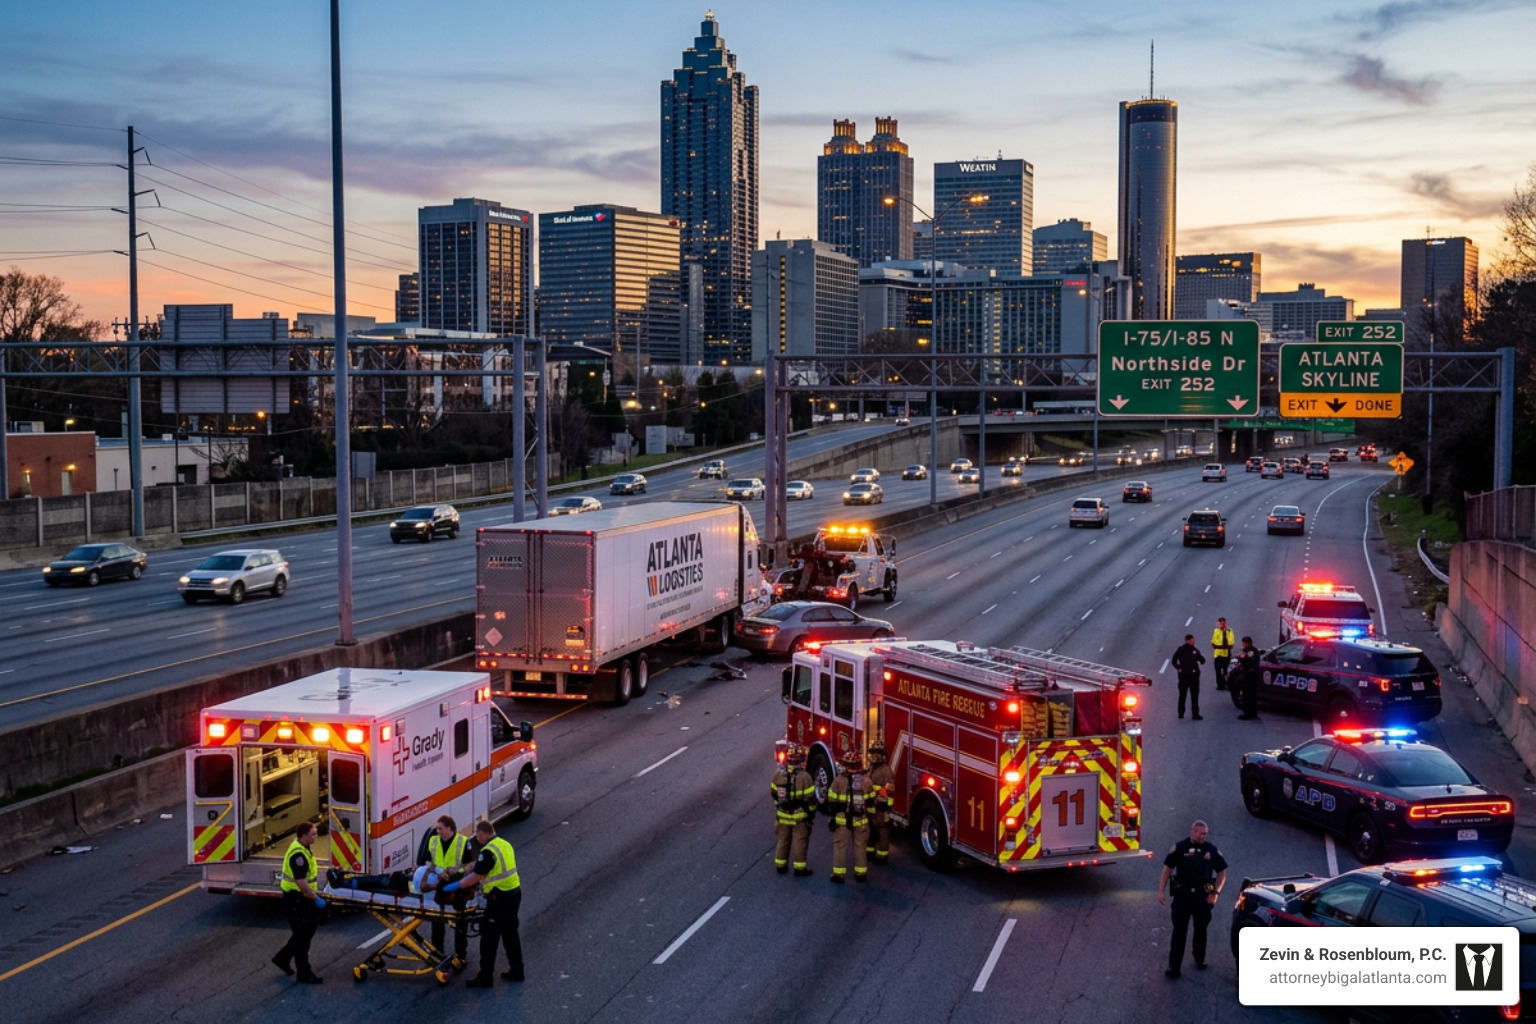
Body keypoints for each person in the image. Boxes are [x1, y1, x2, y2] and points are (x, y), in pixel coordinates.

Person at [443, 820, 525, 987]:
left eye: (478, 836)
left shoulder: (488, 851)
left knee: (489, 938)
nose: (477, 839)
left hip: (498, 898)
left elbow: (477, 876)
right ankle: (517, 970)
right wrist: (466, 868)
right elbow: (486, 866)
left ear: (484, 833)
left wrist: (458, 885)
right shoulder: (504, 844)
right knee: (510, 934)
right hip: (514, 893)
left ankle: (485, 977)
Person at [1157, 820, 1228, 978]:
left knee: (1201, 930)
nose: (1204, 836)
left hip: (1204, 895)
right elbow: (1167, 870)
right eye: (1201, 833)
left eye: (1206, 834)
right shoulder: (1180, 848)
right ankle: (1174, 967)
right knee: (1179, 932)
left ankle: (1199, 958)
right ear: (1193, 832)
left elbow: (1222, 873)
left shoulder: (1211, 850)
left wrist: (1215, 892)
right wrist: (1161, 891)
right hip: (1183, 895)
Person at [272, 821, 326, 984]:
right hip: (296, 899)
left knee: (305, 932)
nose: (316, 836)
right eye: (313, 834)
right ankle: (304, 974)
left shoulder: (303, 847)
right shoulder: (298, 855)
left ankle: (282, 958)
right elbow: (300, 880)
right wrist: (315, 898)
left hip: (303, 897)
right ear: (303, 836)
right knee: (303, 937)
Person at [418, 815, 471, 969]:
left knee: (460, 922)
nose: (438, 831)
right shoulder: (433, 841)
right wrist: (437, 870)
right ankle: (438, 953)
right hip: (439, 885)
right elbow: (425, 861)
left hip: (457, 885)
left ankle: (461, 956)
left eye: (440, 828)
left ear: (450, 828)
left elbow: (469, 866)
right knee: (437, 922)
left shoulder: (463, 842)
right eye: (437, 828)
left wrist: (457, 870)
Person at [826, 749, 871, 884]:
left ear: (845, 765)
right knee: (860, 846)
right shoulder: (866, 781)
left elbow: (831, 802)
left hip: (842, 820)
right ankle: (861, 874)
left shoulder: (838, 781)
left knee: (840, 846)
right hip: (861, 820)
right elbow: (871, 801)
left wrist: (832, 817)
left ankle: (838, 875)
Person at [771, 744, 816, 876]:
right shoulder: (805, 777)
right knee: (800, 841)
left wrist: (779, 807)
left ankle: (780, 865)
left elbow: (774, 794)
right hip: (799, 816)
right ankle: (799, 868)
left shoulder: (778, 775)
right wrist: (810, 814)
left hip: (783, 814)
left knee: (783, 840)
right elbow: (810, 798)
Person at [865, 742, 895, 865]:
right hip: (871, 805)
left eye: (876, 753)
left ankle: (882, 855)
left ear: (882, 755)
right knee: (871, 828)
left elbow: (889, 789)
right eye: (872, 753)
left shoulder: (885, 771)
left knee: (882, 828)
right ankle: (870, 851)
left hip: (880, 806)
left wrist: (882, 804)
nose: (873, 756)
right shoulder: (872, 768)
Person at [1170, 634, 1206, 720]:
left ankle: (1181, 713)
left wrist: (1178, 668)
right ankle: (1195, 714)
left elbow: (1173, 660)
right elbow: (1202, 660)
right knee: (1194, 695)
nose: (1193, 642)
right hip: (1193, 676)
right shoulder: (1194, 650)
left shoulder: (1180, 650)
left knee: (1182, 694)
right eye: (1192, 641)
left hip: (1183, 675)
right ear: (1187, 641)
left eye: (1193, 640)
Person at [1230, 636, 1261, 720]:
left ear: (1247, 643)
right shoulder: (1252, 650)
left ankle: (1247, 713)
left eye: (1243, 643)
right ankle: (1253, 712)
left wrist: (1242, 659)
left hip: (1249, 675)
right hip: (1252, 675)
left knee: (1247, 694)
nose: (1242, 645)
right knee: (1252, 695)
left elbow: (1249, 663)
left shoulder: (1250, 652)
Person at [1210, 618, 1235, 690]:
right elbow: (1213, 642)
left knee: (1225, 670)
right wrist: (1221, 646)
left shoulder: (1229, 631)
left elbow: (1231, 642)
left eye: (1223, 623)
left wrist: (1224, 645)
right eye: (1220, 624)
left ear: (1225, 623)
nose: (1222, 625)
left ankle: (1225, 683)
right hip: (1218, 654)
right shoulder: (1216, 631)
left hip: (1226, 654)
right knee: (1218, 671)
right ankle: (1220, 685)